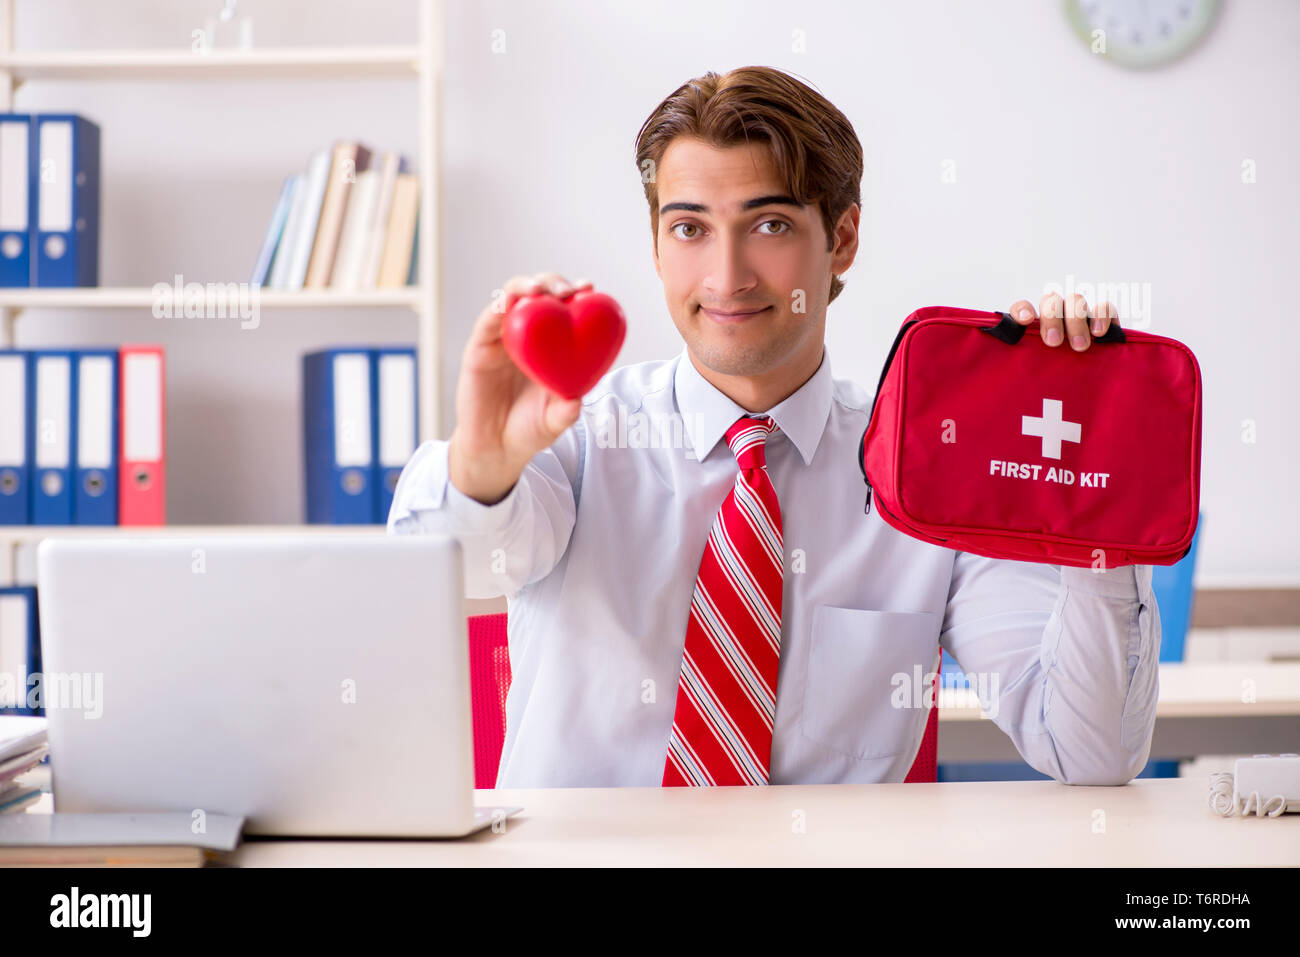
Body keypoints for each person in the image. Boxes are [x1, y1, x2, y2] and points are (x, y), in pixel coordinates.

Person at [388, 66, 1159, 789]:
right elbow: (441, 583)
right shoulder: (578, 434)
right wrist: (483, 461)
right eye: (690, 229)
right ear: (656, 245)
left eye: (769, 226)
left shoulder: (925, 471)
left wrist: (1098, 490)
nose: (727, 276)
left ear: (843, 240)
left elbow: (1089, 752)